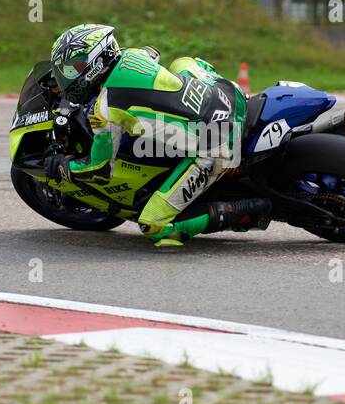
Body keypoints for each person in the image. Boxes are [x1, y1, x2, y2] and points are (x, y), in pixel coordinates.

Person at [44, 24, 271, 247]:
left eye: (73, 69)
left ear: (95, 62)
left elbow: (100, 169)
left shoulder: (103, 110)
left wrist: (64, 167)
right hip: (228, 93)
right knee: (182, 62)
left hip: (219, 144)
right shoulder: (131, 55)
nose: (68, 77)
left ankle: (244, 211)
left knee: (153, 225)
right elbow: (152, 52)